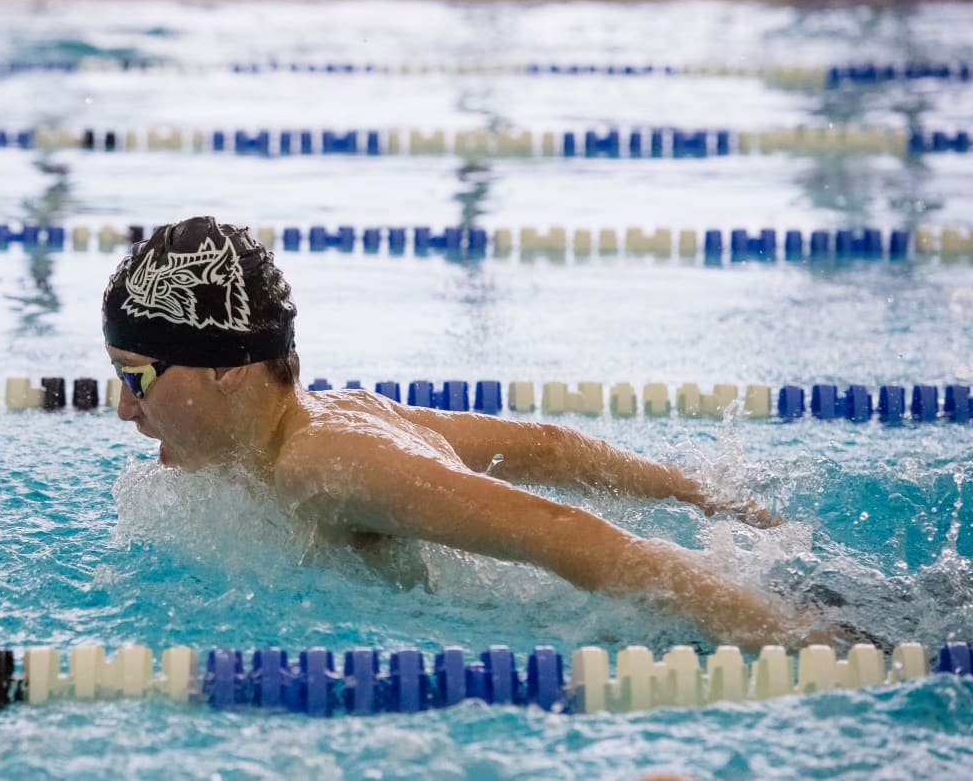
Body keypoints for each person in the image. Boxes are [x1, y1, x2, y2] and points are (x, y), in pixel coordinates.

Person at [102, 215, 826, 652]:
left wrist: (789, 635)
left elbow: (556, 529)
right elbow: (545, 446)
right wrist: (709, 499)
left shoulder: (324, 465)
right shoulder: (328, 419)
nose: (126, 411)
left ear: (228, 367)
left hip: (605, 635)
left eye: (137, 378)